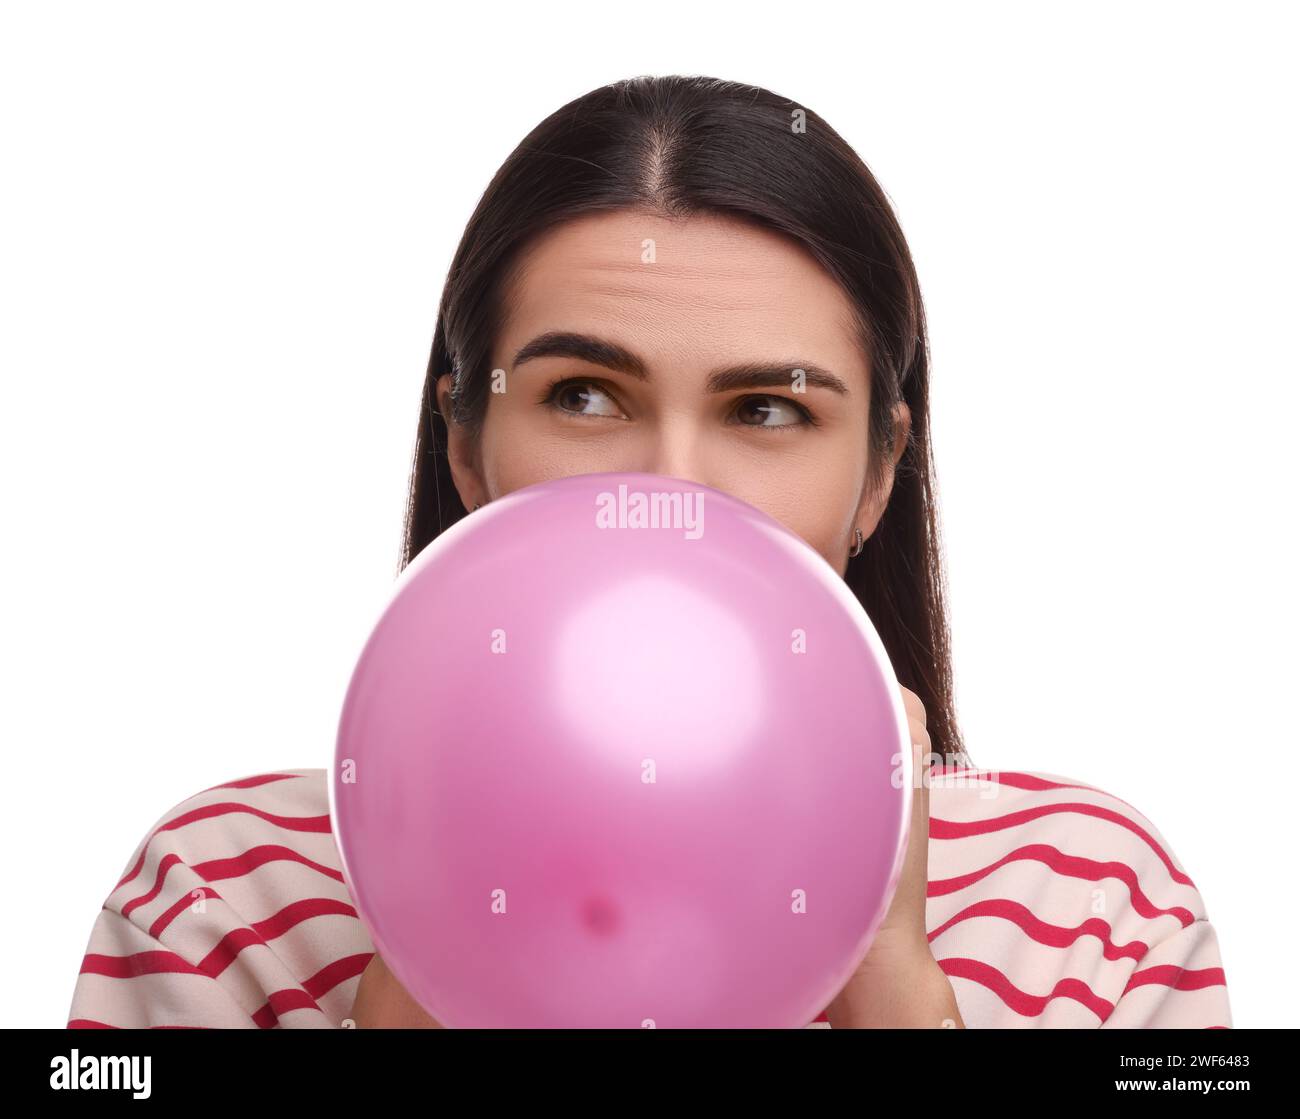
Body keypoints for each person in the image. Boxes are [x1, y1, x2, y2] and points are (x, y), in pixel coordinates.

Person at [67, 75, 1230, 1029]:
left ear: (878, 475)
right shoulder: (221, 896)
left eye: (768, 410)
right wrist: (432, 962)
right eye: (583, 394)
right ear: (465, 445)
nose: (670, 495)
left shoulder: (1092, 908)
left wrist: (891, 986)